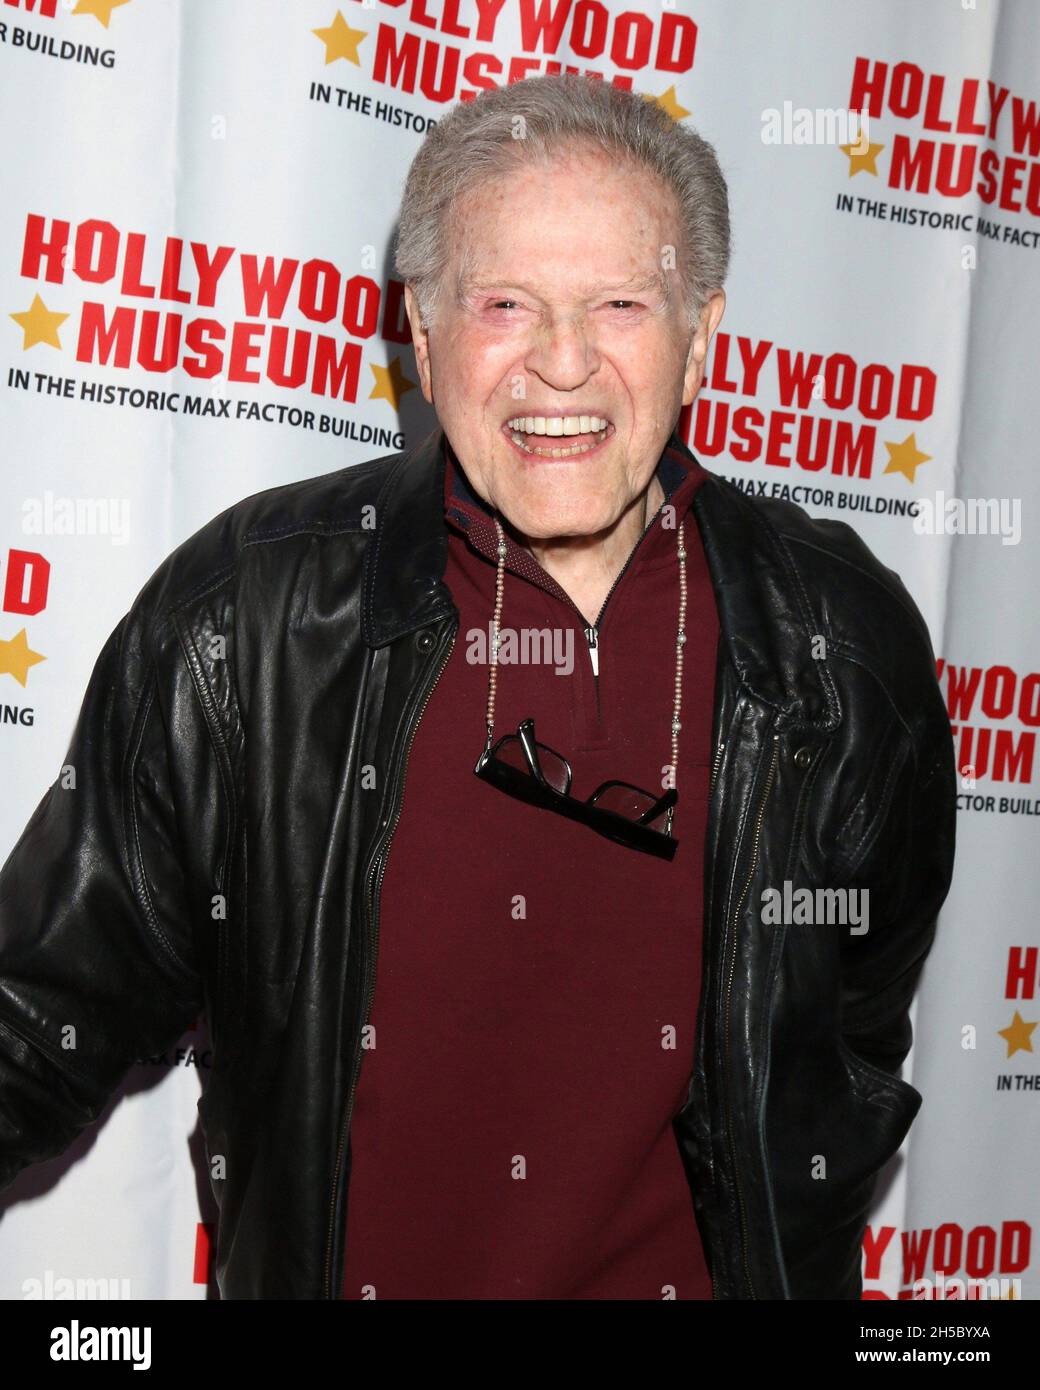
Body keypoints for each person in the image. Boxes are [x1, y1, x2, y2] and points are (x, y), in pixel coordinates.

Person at [0, 74, 955, 1300]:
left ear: (700, 334)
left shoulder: (835, 642)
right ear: (425, 328)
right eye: (505, 303)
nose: (562, 365)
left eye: (619, 302)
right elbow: (41, 1010)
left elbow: (854, 1032)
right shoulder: (251, 618)